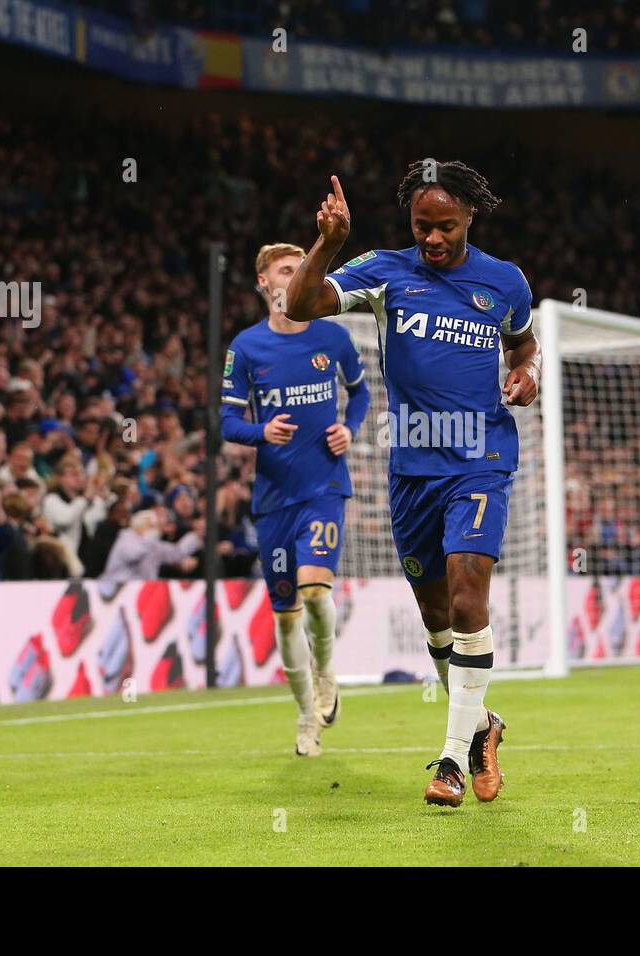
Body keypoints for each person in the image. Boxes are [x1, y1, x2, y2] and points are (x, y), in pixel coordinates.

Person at [285, 161, 540, 806]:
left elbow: (523, 344)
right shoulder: (384, 271)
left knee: (465, 597)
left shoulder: (504, 282)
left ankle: (452, 761)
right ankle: (482, 728)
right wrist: (329, 244)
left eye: (445, 226)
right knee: (435, 621)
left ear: (469, 218)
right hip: (412, 470)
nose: (432, 238)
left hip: (481, 459)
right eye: (422, 226)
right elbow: (300, 305)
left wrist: (527, 375)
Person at [221, 241, 371, 757]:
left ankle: (326, 670)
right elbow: (227, 423)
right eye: (287, 269)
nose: (295, 275)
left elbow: (363, 393)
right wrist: (263, 431)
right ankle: (306, 718)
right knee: (285, 612)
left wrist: (349, 428)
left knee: (314, 592)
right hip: (273, 496)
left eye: (302, 267)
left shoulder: (333, 336)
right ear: (264, 281)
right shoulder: (245, 347)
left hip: (324, 486)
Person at [99, 509, 203, 585]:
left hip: (144, 589)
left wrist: (195, 536)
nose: (155, 530)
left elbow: (176, 553)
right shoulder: (126, 538)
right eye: (152, 526)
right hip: (116, 586)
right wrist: (151, 536)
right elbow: (135, 554)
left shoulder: (153, 544)